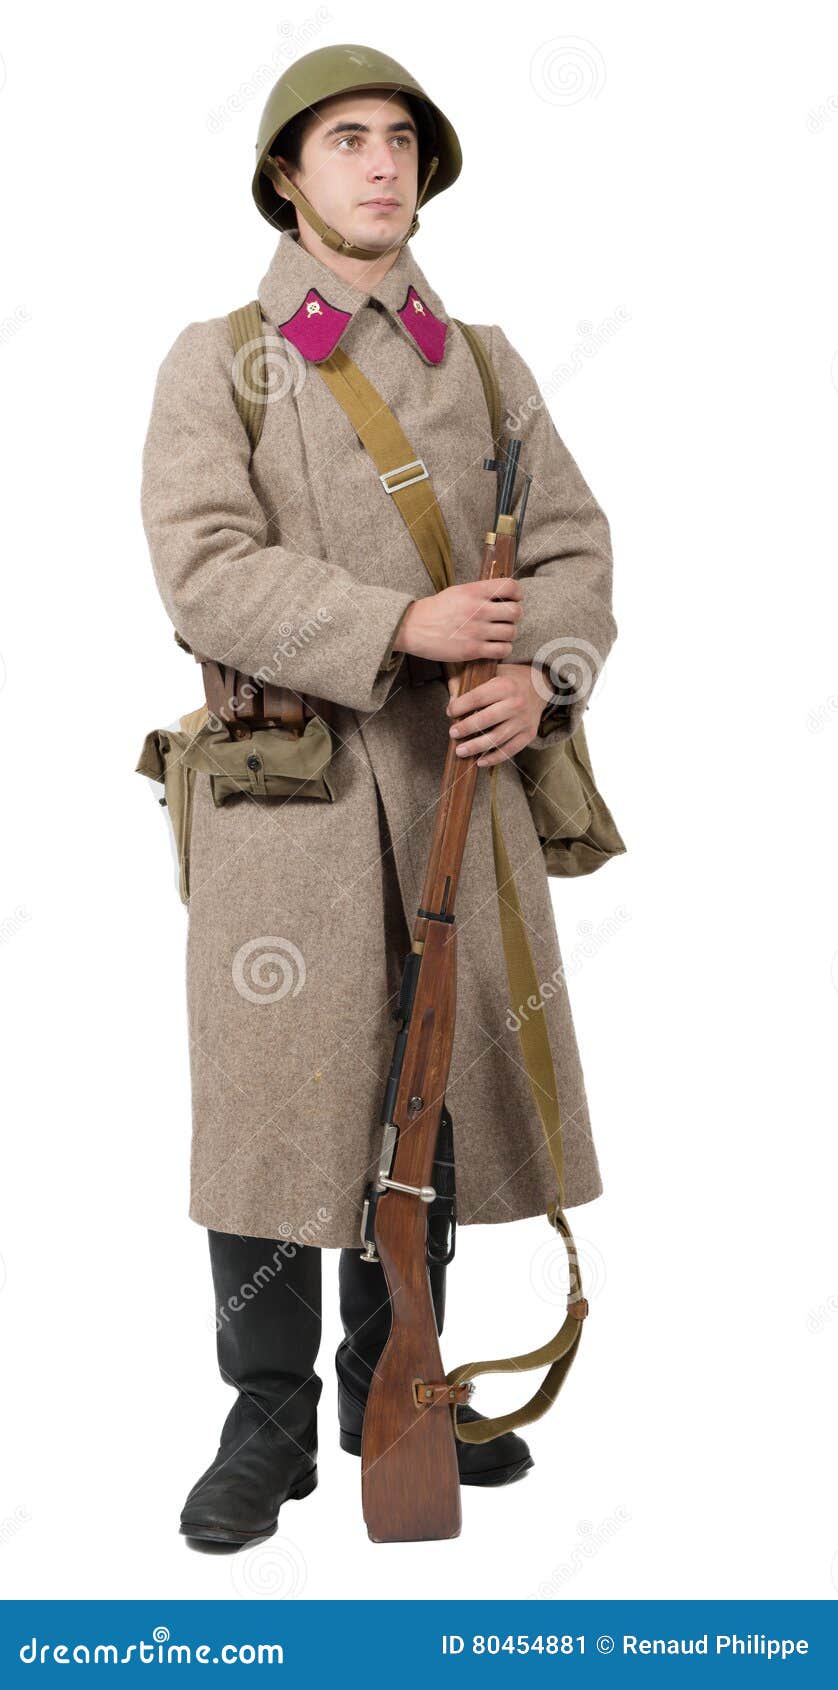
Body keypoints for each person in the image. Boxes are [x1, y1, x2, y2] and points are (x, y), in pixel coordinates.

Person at [140, 43, 617, 1548]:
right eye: (345, 139)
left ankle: (384, 1393)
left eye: (400, 139)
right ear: (287, 172)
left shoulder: (480, 360)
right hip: (287, 806)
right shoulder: (221, 360)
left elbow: (573, 551)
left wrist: (539, 672)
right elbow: (203, 564)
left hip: (453, 791)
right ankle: (268, 1419)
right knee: (279, 1111)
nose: (380, 163)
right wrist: (396, 628)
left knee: (432, 1091)